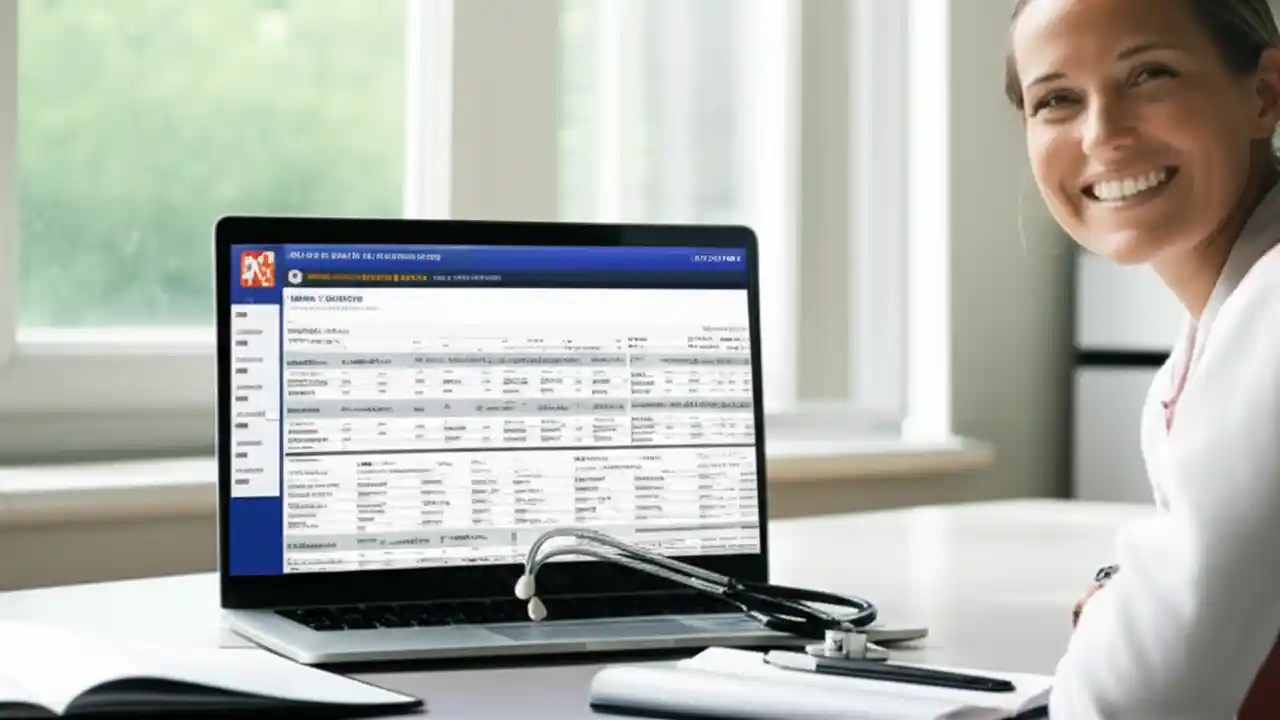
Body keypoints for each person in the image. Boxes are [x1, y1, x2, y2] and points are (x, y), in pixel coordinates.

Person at [1006, 0, 1280, 716]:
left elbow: (1135, 702)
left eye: (1149, 74)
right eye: (1057, 99)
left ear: (1264, 94)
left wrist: (1112, 613)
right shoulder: (1193, 363)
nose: (1103, 134)